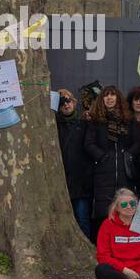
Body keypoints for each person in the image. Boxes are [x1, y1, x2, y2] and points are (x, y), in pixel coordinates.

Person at [84, 85, 140, 240]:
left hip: (125, 173)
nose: (109, 98)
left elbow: (138, 142)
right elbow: (88, 144)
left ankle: (125, 244)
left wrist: (129, 154)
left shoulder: (129, 120)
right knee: (104, 212)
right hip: (103, 173)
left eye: (112, 95)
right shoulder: (96, 120)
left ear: (118, 98)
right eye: (106, 95)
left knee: (125, 211)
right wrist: (102, 157)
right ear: (102, 99)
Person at [55, 88, 93, 240]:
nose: (66, 105)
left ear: (75, 102)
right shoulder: (53, 124)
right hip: (61, 180)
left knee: (82, 218)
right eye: (62, 102)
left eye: (68, 100)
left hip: (81, 180)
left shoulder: (84, 123)